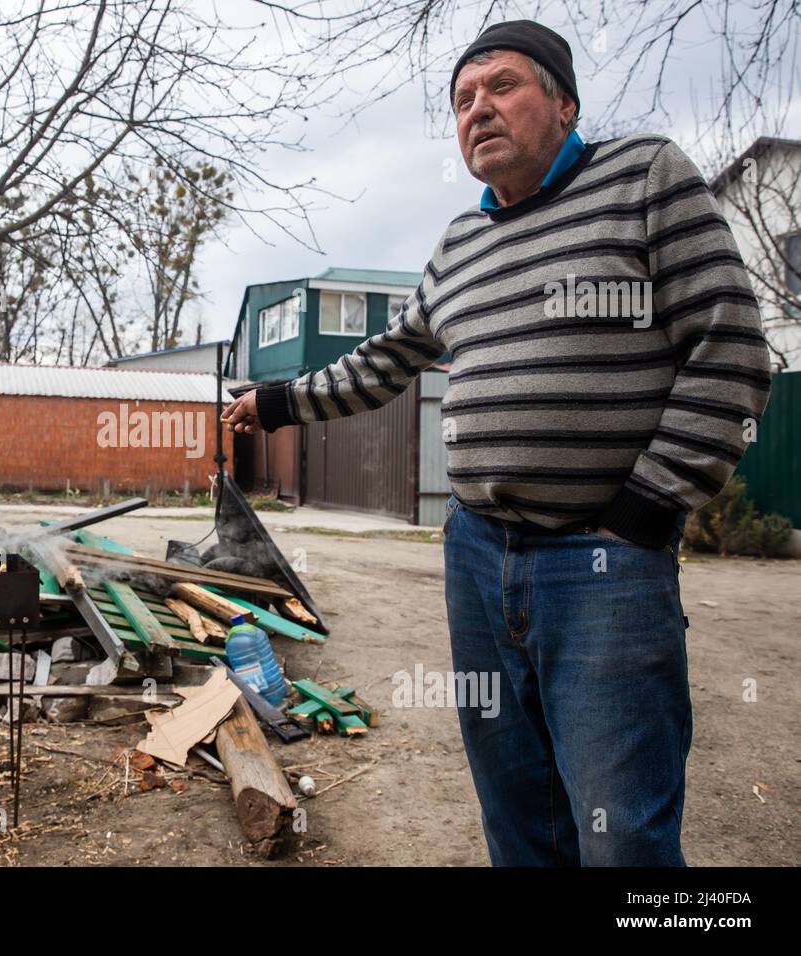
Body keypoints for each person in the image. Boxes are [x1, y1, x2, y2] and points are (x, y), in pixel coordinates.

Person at [222, 20, 771, 866]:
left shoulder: (645, 179)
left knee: (621, 831)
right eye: (462, 99)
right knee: (519, 818)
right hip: (477, 559)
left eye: (502, 86)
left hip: (602, 563)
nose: (478, 108)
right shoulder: (458, 246)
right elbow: (385, 361)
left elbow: (730, 349)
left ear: (563, 101)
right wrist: (278, 400)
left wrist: (648, 509)